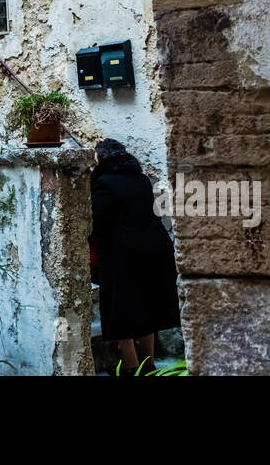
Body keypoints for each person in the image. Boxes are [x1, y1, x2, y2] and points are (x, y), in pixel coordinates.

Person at [90, 138, 181, 374]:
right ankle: (148, 364)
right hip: (154, 248)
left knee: (121, 310)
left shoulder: (103, 182)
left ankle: (130, 366)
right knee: (147, 307)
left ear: (101, 158)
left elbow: (97, 219)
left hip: (123, 253)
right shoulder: (140, 179)